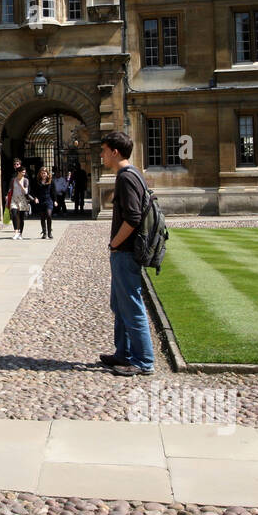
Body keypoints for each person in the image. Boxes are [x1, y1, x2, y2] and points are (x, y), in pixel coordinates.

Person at [100, 131, 154, 377]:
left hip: (126, 251)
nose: (101, 155)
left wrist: (114, 244)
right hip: (125, 250)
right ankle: (123, 353)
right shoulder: (132, 175)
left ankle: (143, 361)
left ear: (115, 152)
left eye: (103, 150)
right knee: (119, 304)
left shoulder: (126, 178)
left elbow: (132, 218)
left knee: (131, 305)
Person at [31, 166, 54, 239]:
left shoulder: (51, 181)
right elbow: (33, 191)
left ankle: (49, 232)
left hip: (48, 200)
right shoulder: (37, 182)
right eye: (42, 173)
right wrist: (35, 198)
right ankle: (44, 233)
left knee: (49, 215)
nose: (43, 174)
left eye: (44, 173)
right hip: (41, 201)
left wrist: (55, 200)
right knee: (42, 217)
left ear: (47, 174)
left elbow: (54, 192)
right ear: (40, 174)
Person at [8, 166, 31, 239]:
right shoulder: (13, 180)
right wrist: (7, 196)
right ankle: (16, 232)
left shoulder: (25, 180)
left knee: (21, 218)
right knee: (14, 214)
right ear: (19, 172)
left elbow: (26, 191)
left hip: (22, 199)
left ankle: (20, 233)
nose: (24, 173)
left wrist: (20, 184)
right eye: (23, 172)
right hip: (14, 199)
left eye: (24, 172)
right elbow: (10, 189)